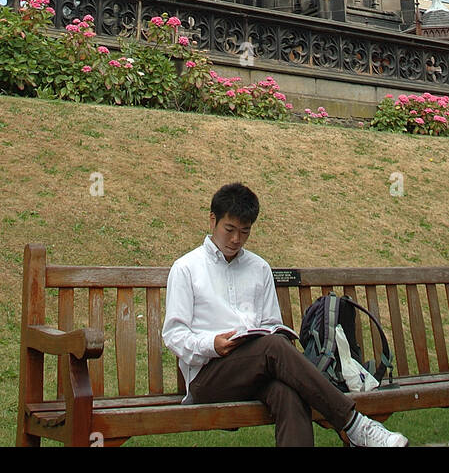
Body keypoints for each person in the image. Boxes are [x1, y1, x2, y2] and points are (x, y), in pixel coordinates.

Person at [162, 181, 408, 448]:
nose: (236, 239)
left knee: (289, 391)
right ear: (213, 220)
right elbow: (174, 334)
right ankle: (355, 425)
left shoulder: (259, 268)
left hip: (257, 369)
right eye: (229, 229)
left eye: (244, 232)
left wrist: (272, 333)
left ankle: (356, 427)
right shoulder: (186, 268)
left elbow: (271, 324)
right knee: (272, 348)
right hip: (209, 378)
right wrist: (213, 344)